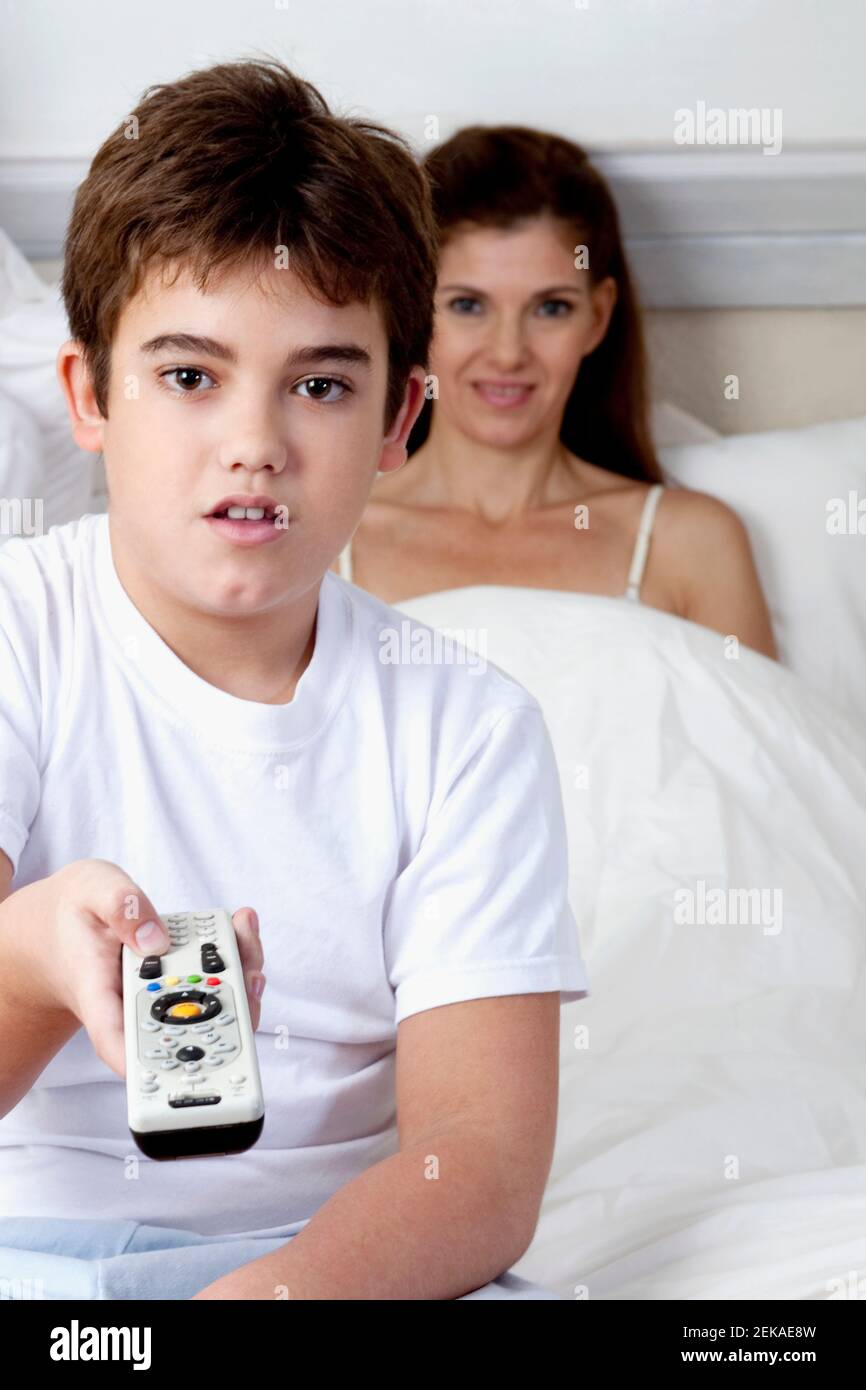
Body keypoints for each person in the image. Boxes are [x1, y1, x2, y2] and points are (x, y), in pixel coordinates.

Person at [0, 60, 589, 1301]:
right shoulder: (18, 633)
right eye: (189, 376)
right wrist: (40, 959)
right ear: (89, 396)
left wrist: (270, 1300)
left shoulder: (467, 728)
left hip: (331, 1270)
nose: (255, 443)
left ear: (399, 419)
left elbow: (478, 1168)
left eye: (320, 385)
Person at [332, 126, 777, 660]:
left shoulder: (690, 543)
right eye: (468, 305)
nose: (508, 353)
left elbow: (756, 718)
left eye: (551, 308)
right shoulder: (329, 535)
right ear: (413, 313)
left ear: (598, 316)